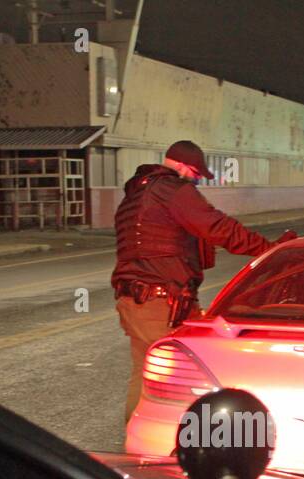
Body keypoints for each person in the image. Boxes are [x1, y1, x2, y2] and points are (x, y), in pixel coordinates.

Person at [113, 140, 291, 425]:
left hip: (134, 301)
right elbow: (219, 228)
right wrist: (268, 249)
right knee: (189, 374)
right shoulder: (174, 191)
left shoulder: (136, 194)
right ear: (183, 166)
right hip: (162, 302)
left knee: (145, 373)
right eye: (197, 174)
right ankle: (177, 445)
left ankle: (137, 436)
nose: (197, 180)